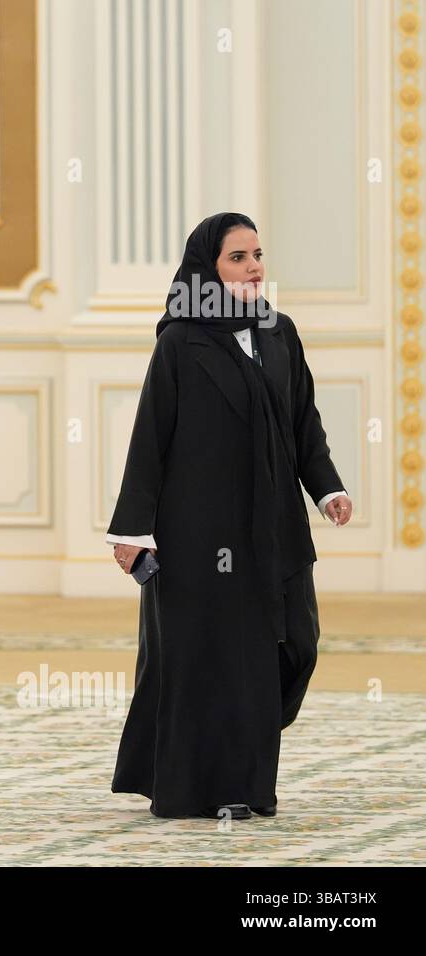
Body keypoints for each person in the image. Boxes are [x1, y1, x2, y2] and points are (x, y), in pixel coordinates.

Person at [107, 212, 353, 820]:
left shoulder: (279, 332)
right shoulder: (180, 342)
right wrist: (132, 532)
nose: (254, 268)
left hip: (274, 527)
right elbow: (150, 437)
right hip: (199, 530)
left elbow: (304, 422)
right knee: (211, 659)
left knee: (295, 643)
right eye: (238, 257)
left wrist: (326, 489)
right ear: (206, 269)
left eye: (258, 255)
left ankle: (234, 771)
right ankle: (215, 788)